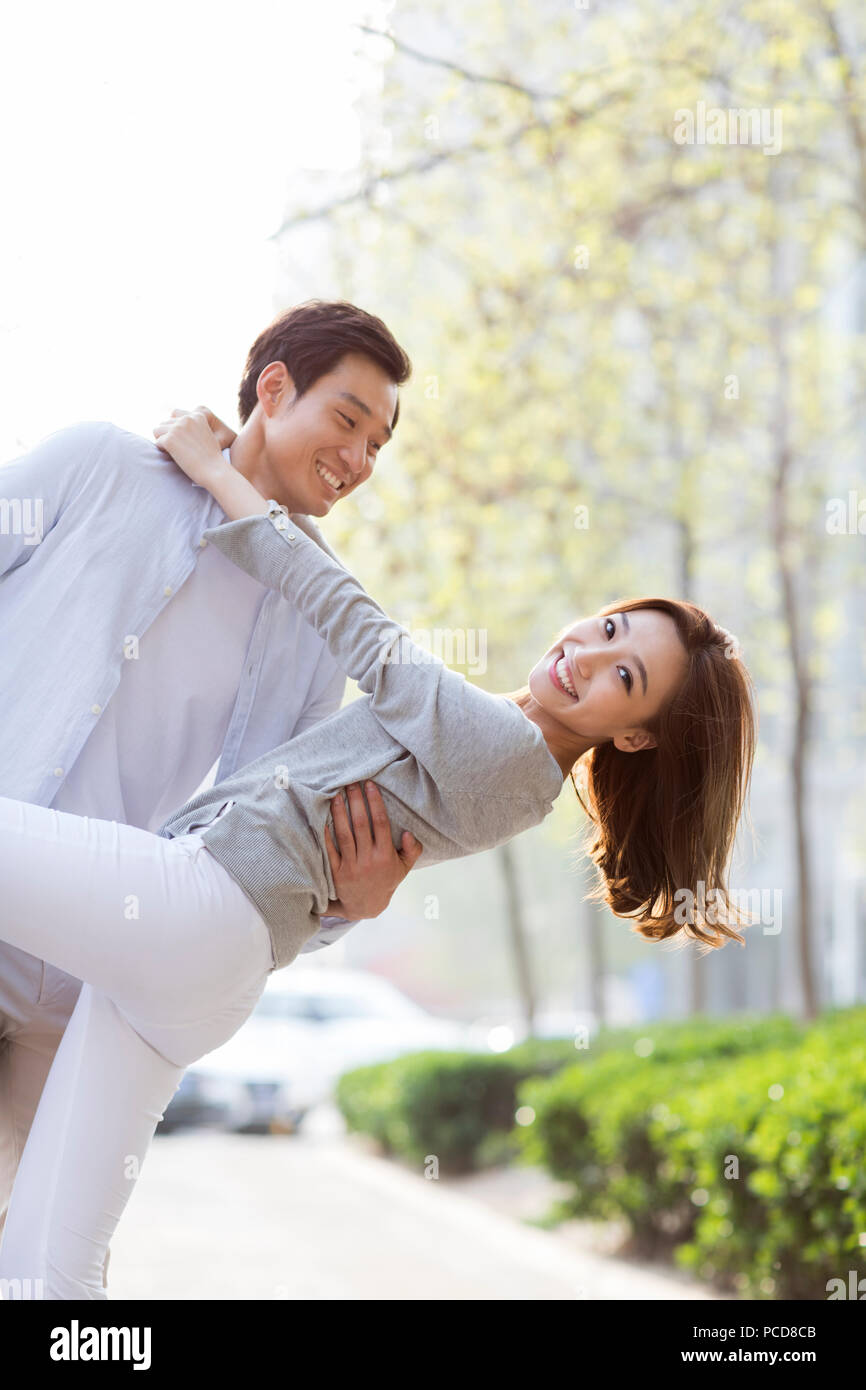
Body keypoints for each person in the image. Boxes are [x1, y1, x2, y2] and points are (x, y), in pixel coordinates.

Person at [0, 415, 758, 1299]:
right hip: (208, 965)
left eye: (625, 678)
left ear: (632, 738)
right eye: (611, 626)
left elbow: (343, 611)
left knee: (53, 1260)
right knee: (52, 1268)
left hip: (201, 910)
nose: (587, 655)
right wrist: (346, 905)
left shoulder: (500, 748)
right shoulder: (511, 758)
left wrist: (215, 474)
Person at [0, 299, 425, 1295]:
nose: (358, 458)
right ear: (271, 387)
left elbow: (269, 844)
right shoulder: (102, 466)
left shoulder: (319, 616)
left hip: (90, 992)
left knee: (33, 1255)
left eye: (377, 442)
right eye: (348, 420)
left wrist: (338, 908)